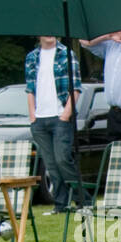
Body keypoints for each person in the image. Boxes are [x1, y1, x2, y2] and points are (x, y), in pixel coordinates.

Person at [25, 35, 86, 215]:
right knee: (51, 165)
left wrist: (65, 116)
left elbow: (76, 88)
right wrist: (32, 117)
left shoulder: (67, 54)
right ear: (38, 34)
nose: (49, 33)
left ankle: (84, 201)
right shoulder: (32, 57)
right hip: (39, 119)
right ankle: (61, 205)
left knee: (62, 160)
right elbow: (29, 89)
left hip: (60, 117)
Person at [79, 30, 121, 141]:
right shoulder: (110, 45)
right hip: (113, 113)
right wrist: (109, 36)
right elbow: (84, 41)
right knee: (114, 155)